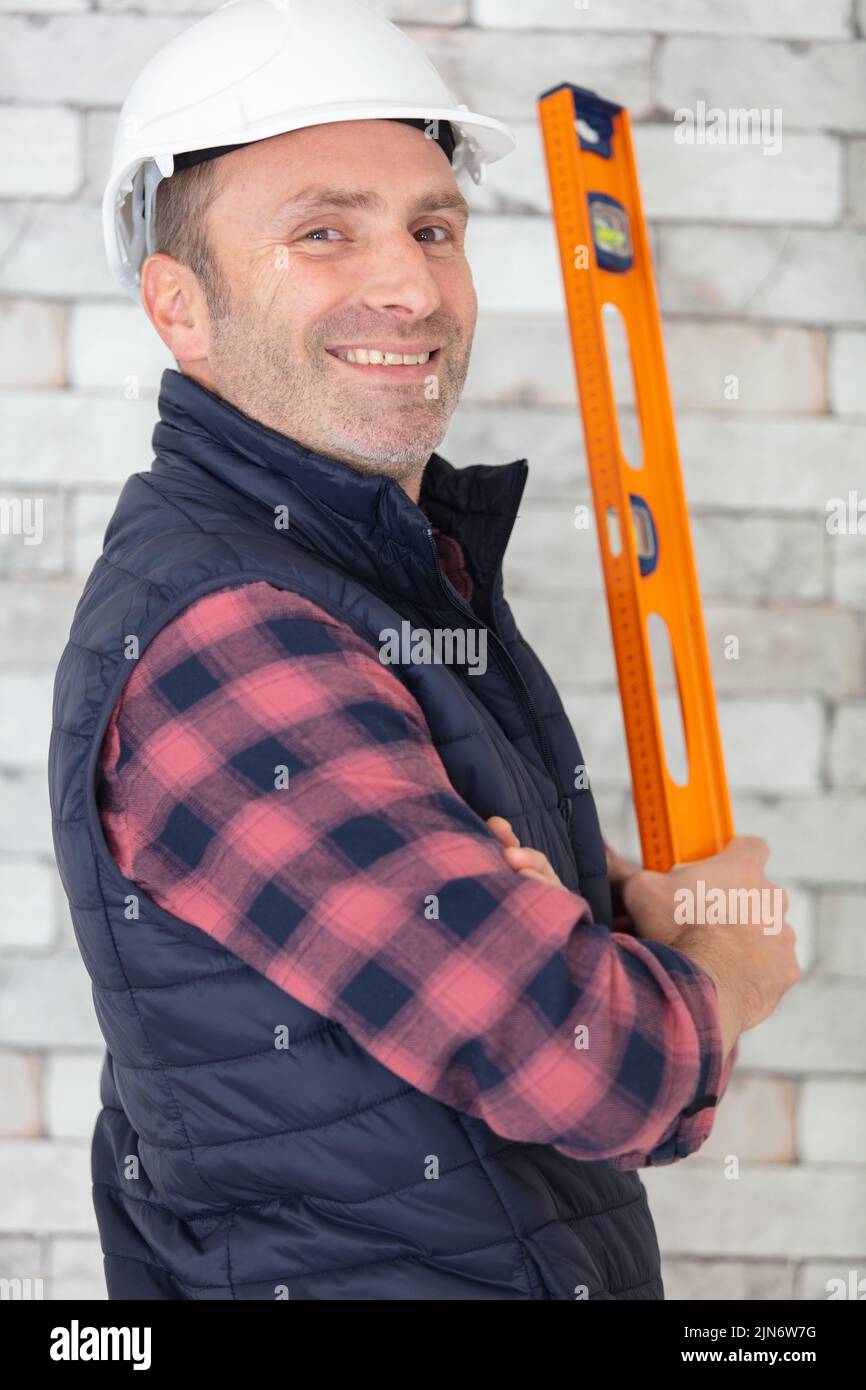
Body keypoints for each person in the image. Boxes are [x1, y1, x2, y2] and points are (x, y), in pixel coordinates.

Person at [49, 0, 798, 1300]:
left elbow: (469, 952)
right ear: (180, 306)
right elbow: (601, 1067)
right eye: (322, 231)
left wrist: (582, 916)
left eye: (431, 227)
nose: (408, 283)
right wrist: (712, 970)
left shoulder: (368, 562)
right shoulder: (235, 635)